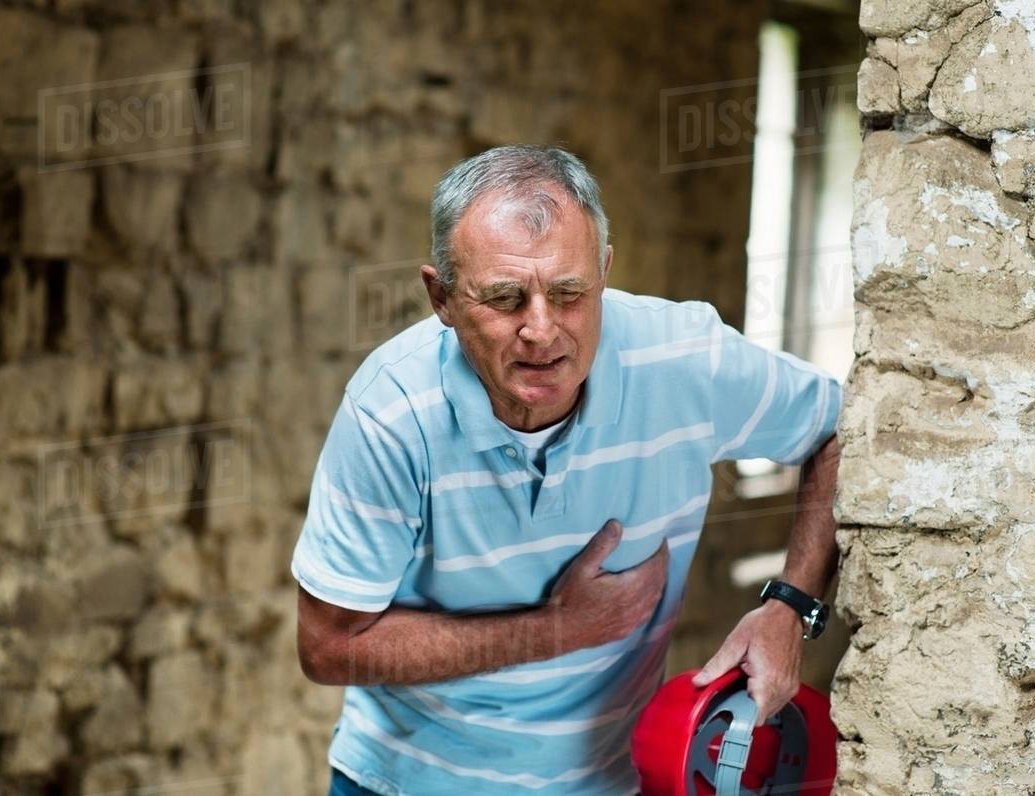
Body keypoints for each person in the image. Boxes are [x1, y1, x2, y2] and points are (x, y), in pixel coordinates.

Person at [293, 145, 842, 795]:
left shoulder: (685, 360)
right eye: (504, 298)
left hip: (608, 783)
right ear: (440, 297)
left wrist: (791, 606)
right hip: (402, 782)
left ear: (604, 272)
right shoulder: (391, 410)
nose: (541, 329)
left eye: (569, 292)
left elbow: (841, 430)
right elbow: (328, 645)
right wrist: (556, 629)